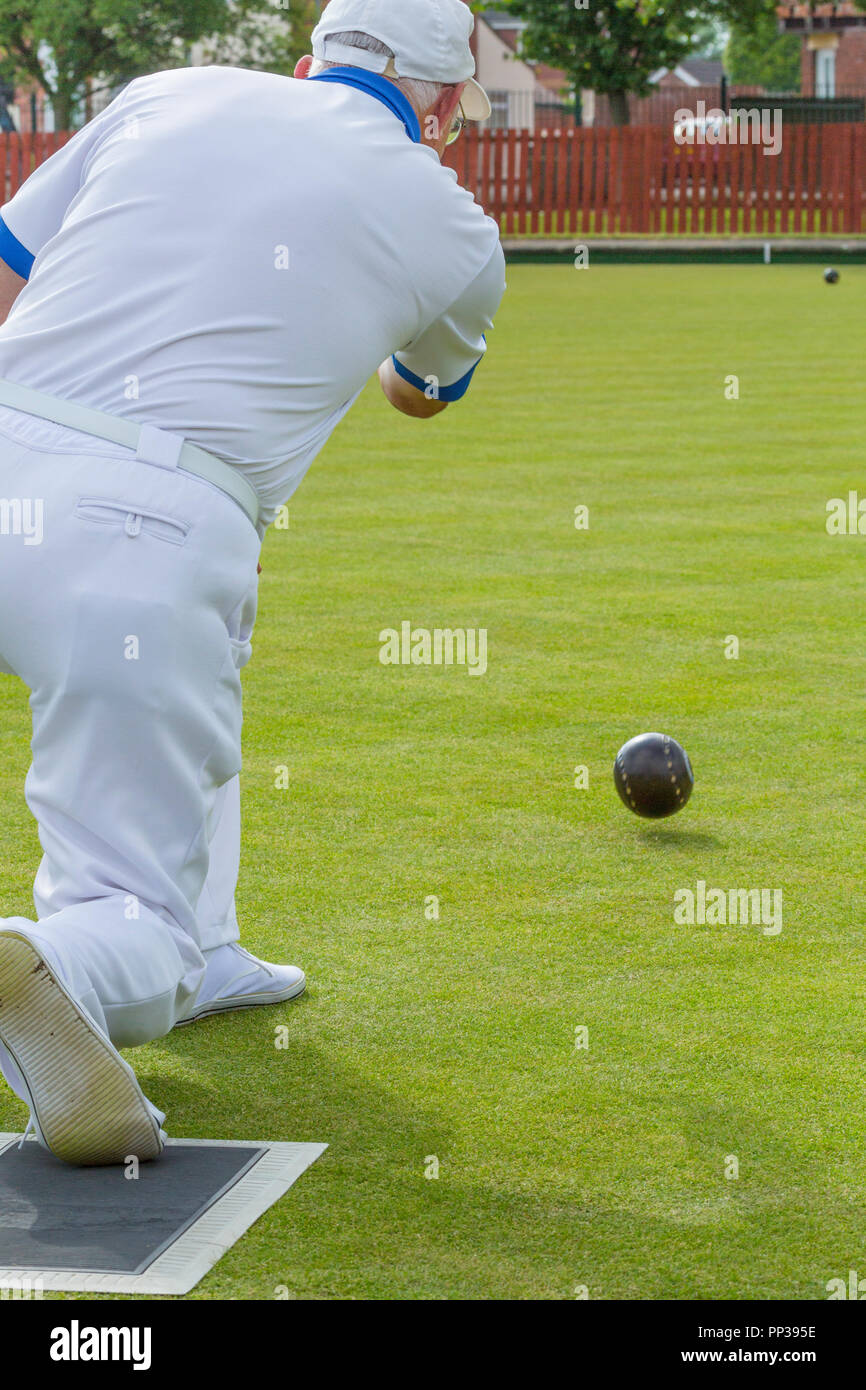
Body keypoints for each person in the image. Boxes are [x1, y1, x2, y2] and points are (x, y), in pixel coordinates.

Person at [0, 0, 506, 1165]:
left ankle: (217, 947)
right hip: (148, 530)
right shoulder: (458, 226)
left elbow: (7, 263)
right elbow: (419, 393)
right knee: (134, 932)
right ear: (438, 108)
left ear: (307, 61)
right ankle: (69, 956)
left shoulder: (164, 91)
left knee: (223, 641)